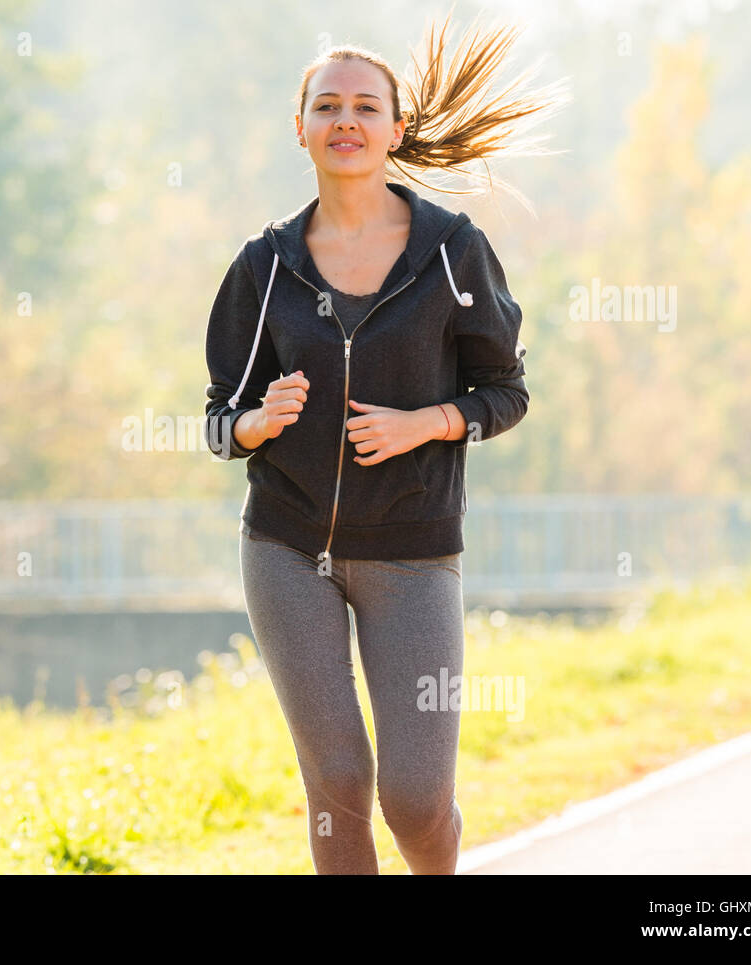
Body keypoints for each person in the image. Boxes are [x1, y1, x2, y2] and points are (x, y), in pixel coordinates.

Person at [202, 17, 568, 874]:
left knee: (413, 796)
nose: (346, 121)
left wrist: (424, 423)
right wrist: (257, 423)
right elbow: (221, 413)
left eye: (366, 107)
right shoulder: (265, 265)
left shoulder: (452, 252)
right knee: (336, 781)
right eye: (326, 106)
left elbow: (506, 391)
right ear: (300, 127)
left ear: (395, 130)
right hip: (287, 550)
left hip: (412, 551)